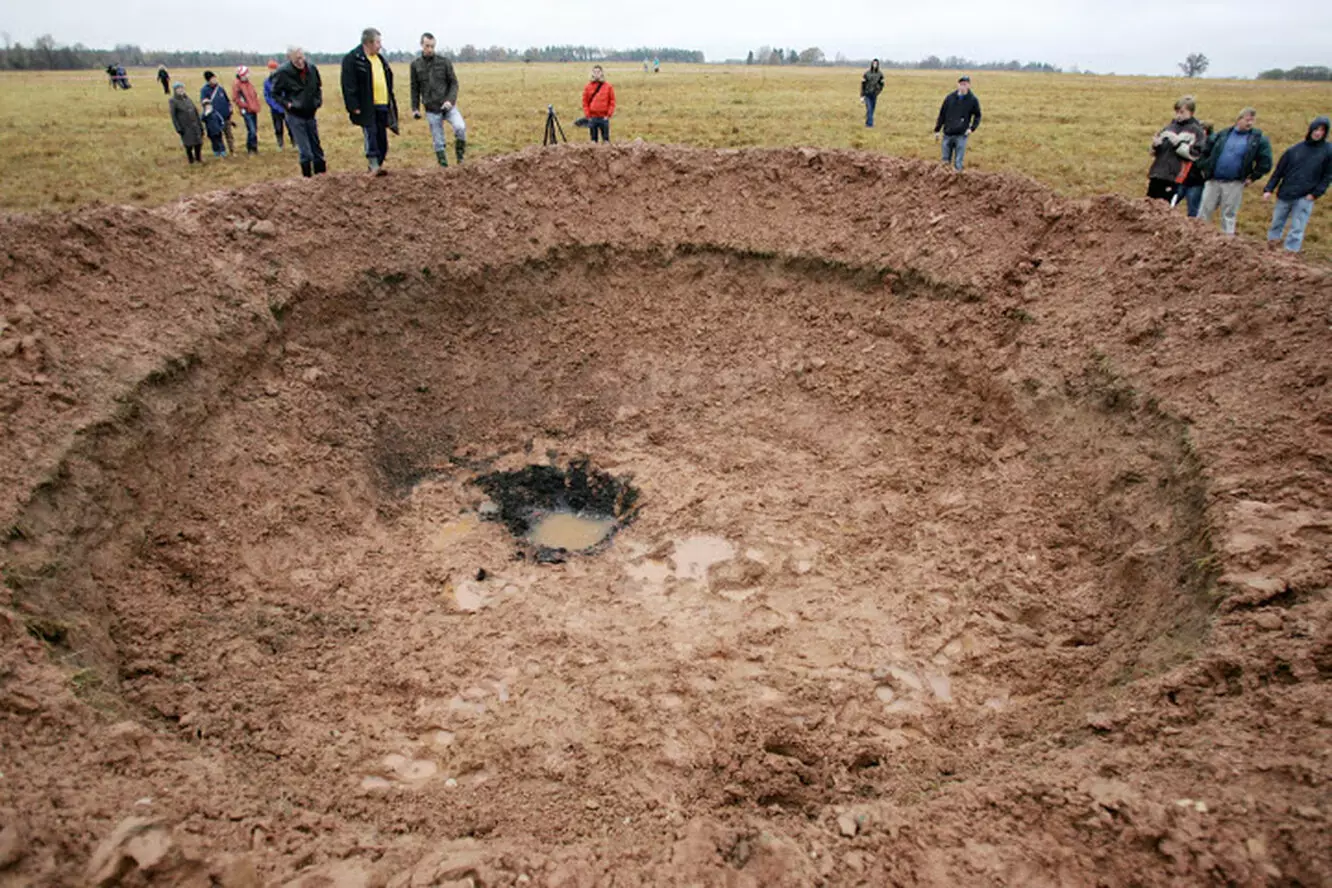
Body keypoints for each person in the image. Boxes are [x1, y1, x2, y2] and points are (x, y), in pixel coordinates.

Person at [1198, 108, 1273, 235]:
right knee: (1204, 211)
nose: (1249, 123)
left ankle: (1228, 243)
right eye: (1247, 120)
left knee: (1228, 214)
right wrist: (1204, 167)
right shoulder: (1223, 134)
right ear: (1239, 119)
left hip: (1234, 183)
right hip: (1213, 180)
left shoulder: (1257, 139)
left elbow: (1266, 162)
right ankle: (1199, 237)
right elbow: (1205, 150)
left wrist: (1253, 177)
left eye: (1252, 120)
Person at [1262, 115, 1331, 253]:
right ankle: (1271, 251)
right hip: (1285, 193)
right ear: (1310, 129)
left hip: (1305, 196)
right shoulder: (1294, 150)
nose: (1318, 133)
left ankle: (1290, 255)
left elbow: (1328, 176)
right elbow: (1279, 171)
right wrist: (1269, 188)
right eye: (1316, 129)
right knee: (1276, 224)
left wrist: (1315, 194)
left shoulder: (1328, 151)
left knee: (1297, 228)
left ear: (1325, 133)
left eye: (1322, 130)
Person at [341, 27, 399, 175]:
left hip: (382, 104)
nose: (380, 45)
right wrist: (353, 105)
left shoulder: (380, 59)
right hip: (367, 105)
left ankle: (377, 166)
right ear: (368, 43)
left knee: (382, 140)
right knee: (371, 134)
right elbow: (348, 84)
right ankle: (373, 164)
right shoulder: (354, 59)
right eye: (378, 42)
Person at [410, 32, 466, 167]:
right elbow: (414, 88)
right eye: (427, 46)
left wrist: (450, 101)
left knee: (460, 127)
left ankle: (460, 160)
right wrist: (415, 108)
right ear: (421, 45)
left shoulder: (444, 62)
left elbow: (454, 83)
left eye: (432, 46)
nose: (429, 49)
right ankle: (444, 167)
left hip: (448, 106)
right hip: (431, 108)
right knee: (438, 140)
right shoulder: (415, 65)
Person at [272, 46, 327, 177]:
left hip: (310, 113)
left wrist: (317, 101)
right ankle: (307, 181)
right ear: (289, 59)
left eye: (302, 57)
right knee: (306, 152)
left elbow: (318, 87)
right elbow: (275, 93)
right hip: (295, 116)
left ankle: (323, 179)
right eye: (297, 59)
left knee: (317, 150)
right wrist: (288, 104)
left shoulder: (312, 69)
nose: (300, 61)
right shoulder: (283, 73)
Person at [1147, 96, 1206, 204]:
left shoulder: (1197, 131)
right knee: (1148, 207)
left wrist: (1178, 144)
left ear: (1191, 112)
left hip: (1175, 177)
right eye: (1177, 112)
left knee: (1165, 210)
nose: (1178, 115)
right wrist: (1155, 145)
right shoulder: (1169, 127)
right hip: (1157, 174)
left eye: (1182, 112)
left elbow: (1195, 154)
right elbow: (1153, 152)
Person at [934, 75, 982, 171]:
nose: (963, 86)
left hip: (961, 135)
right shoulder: (950, 98)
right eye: (961, 84)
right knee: (945, 162)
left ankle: (957, 181)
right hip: (947, 134)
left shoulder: (972, 100)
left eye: (965, 84)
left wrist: (971, 128)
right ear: (958, 85)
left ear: (969, 85)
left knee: (958, 162)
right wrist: (937, 130)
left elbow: (977, 115)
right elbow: (942, 114)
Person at [1180, 121, 1214, 217]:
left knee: (1193, 209)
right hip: (1182, 179)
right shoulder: (1190, 142)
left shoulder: (1209, 147)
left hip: (1196, 182)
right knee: (1169, 204)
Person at [168, 82, 204, 165]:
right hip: (185, 126)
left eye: (182, 88)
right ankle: (191, 159)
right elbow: (174, 116)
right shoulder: (173, 101)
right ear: (175, 90)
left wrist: (200, 125)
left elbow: (195, 112)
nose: (181, 90)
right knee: (189, 144)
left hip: (195, 125)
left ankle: (198, 158)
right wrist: (178, 128)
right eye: (178, 89)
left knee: (198, 142)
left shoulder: (188, 99)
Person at [201, 71, 236, 156]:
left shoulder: (220, 88)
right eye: (212, 79)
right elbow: (204, 103)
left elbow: (227, 100)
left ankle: (232, 150)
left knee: (229, 135)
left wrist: (230, 108)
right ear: (208, 80)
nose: (215, 80)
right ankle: (220, 151)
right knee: (217, 135)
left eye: (215, 78)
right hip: (215, 118)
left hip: (226, 116)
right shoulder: (204, 90)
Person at [232, 66, 262, 155]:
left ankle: (254, 148)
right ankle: (250, 148)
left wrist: (256, 105)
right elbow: (236, 99)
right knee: (251, 130)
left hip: (253, 110)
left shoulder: (249, 84)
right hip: (246, 111)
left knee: (254, 130)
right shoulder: (237, 85)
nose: (248, 76)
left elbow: (254, 95)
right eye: (246, 74)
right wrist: (245, 106)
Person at [582, 65, 616, 143]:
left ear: (602, 73)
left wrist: (608, 115)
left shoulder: (608, 87)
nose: (597, 74)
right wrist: (588, 115)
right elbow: (585, 102)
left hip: (604, 117)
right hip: (592, 117)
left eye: (598, 72)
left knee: (606, 140)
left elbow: (612, 101)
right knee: (593, 141)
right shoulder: (588, 87)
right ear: (592, 74)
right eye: (595, 72)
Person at [263, 60, 291, 150]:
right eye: (271, 69)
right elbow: (267, 96)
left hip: (285, 108)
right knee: (278, 127)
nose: (273, 71)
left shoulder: (283, 80)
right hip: (274, 109)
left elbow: (287, 93)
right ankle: (280, 144)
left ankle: (295, 142)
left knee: (290, 126)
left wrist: (285, 103)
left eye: (274, 68)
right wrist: (274, 105)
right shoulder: (267, 82)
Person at [861, 59, 884, 128]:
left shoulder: (880, 74)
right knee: (869, 109)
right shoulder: (866, 74)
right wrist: (862, 96)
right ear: (872, 64)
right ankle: (870, 125)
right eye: (874, 63)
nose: (875, 65)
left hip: (874, 94)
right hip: (867, 94)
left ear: (878, 65)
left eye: (876, 64)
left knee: (872, 110)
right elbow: (863, 85)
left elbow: (882, 84)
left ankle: (867, 122)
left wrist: (878, 91)